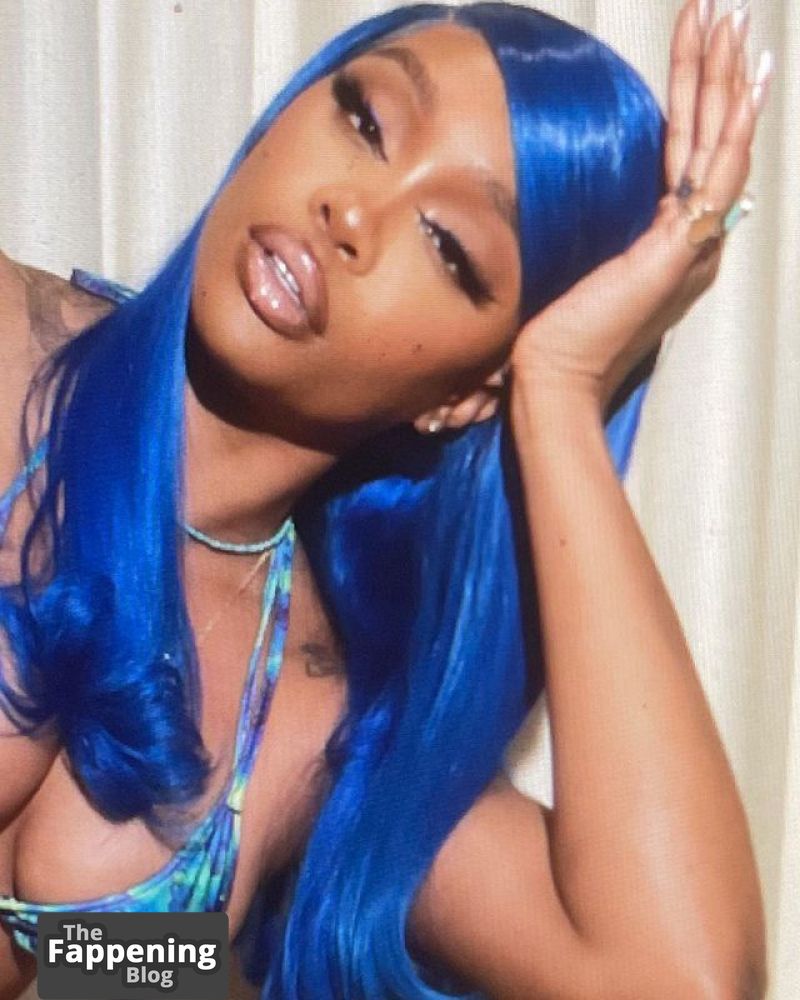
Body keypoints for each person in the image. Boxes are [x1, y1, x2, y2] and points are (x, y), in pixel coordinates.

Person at [0, 0, 770, 997]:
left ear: (465, 396)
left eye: (448, 246)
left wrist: (559, 392)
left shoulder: (321, 711)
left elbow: (674, 979)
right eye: (365, 120)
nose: (352, 214)